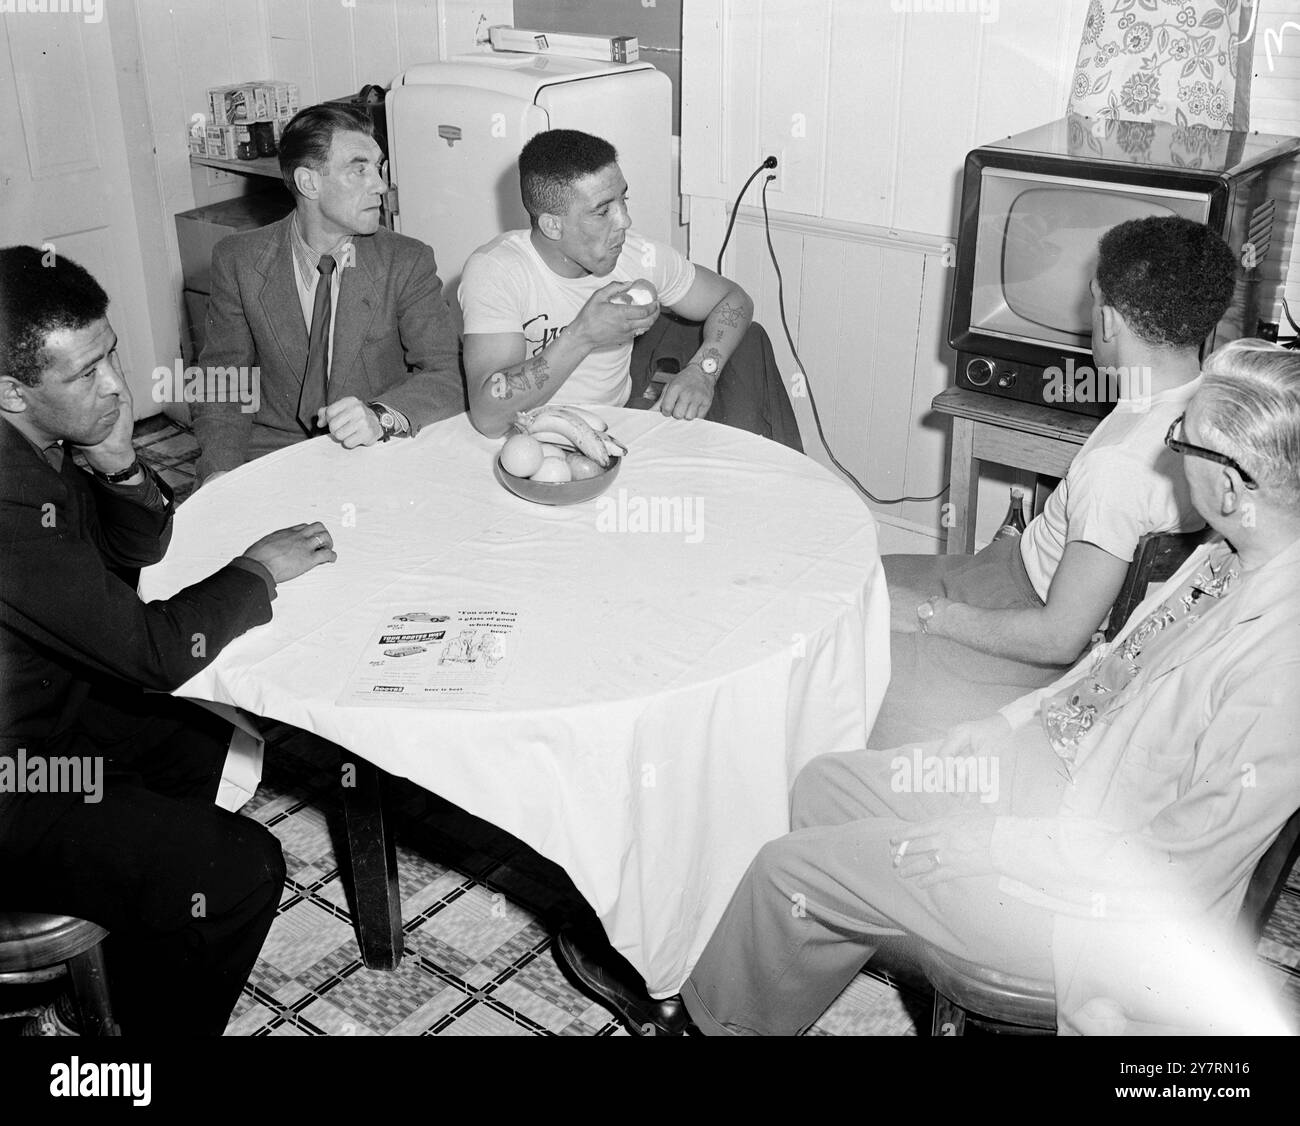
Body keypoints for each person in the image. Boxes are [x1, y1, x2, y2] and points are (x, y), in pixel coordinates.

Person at [678, 338, 1300, 1036]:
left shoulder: (1282, 671)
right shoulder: (1229, 554)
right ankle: (805, 961)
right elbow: (1113, 668)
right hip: (1056, 777)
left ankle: (715, 1025)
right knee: (824, 786)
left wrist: (994, 844)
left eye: (1183, 438)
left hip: (1082, 899)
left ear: (1231, 483)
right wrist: (1008, 726)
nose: (1169, 448)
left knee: (785, 869)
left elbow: (1166, 871)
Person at [0, 245, 337, 1034]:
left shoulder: (34, 441)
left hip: (44, 711)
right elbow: (153, 648)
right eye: (85, 375)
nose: (117, 385)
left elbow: (123, 558)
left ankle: (126, 967)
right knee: (237, 870)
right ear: (11, 390)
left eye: (109, 354)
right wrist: (257, 571)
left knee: (207, 741)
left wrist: (119, 470)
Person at [869, 216, 1238, 748]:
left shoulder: (1117, 467)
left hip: (1024, 620)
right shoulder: (1210, 403)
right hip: (1017, 572)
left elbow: (1059, 638)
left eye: (1092, 301)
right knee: (856, 581)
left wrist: (930, 615)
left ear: (1109, 320)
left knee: (847, 633)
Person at [458, 129, 802, 449]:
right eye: (602, 211)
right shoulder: (497, 270)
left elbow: (734, 299)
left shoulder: (638, 255)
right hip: (519, 444)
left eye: (623, 200)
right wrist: (583, 335)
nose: (624, 222)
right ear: (551, 224)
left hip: (618, 434)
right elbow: (489, 417)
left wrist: (703, 371)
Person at [191, 104, 464, 485]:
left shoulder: (406, 260)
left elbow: (448, 375)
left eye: (378, 167)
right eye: (359, 168)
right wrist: (220, 471)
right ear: (309, 183)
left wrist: (380, 416)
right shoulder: (238, 260)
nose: (381, 185)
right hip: (273, 454)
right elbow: (224, 380)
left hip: (374, 454)